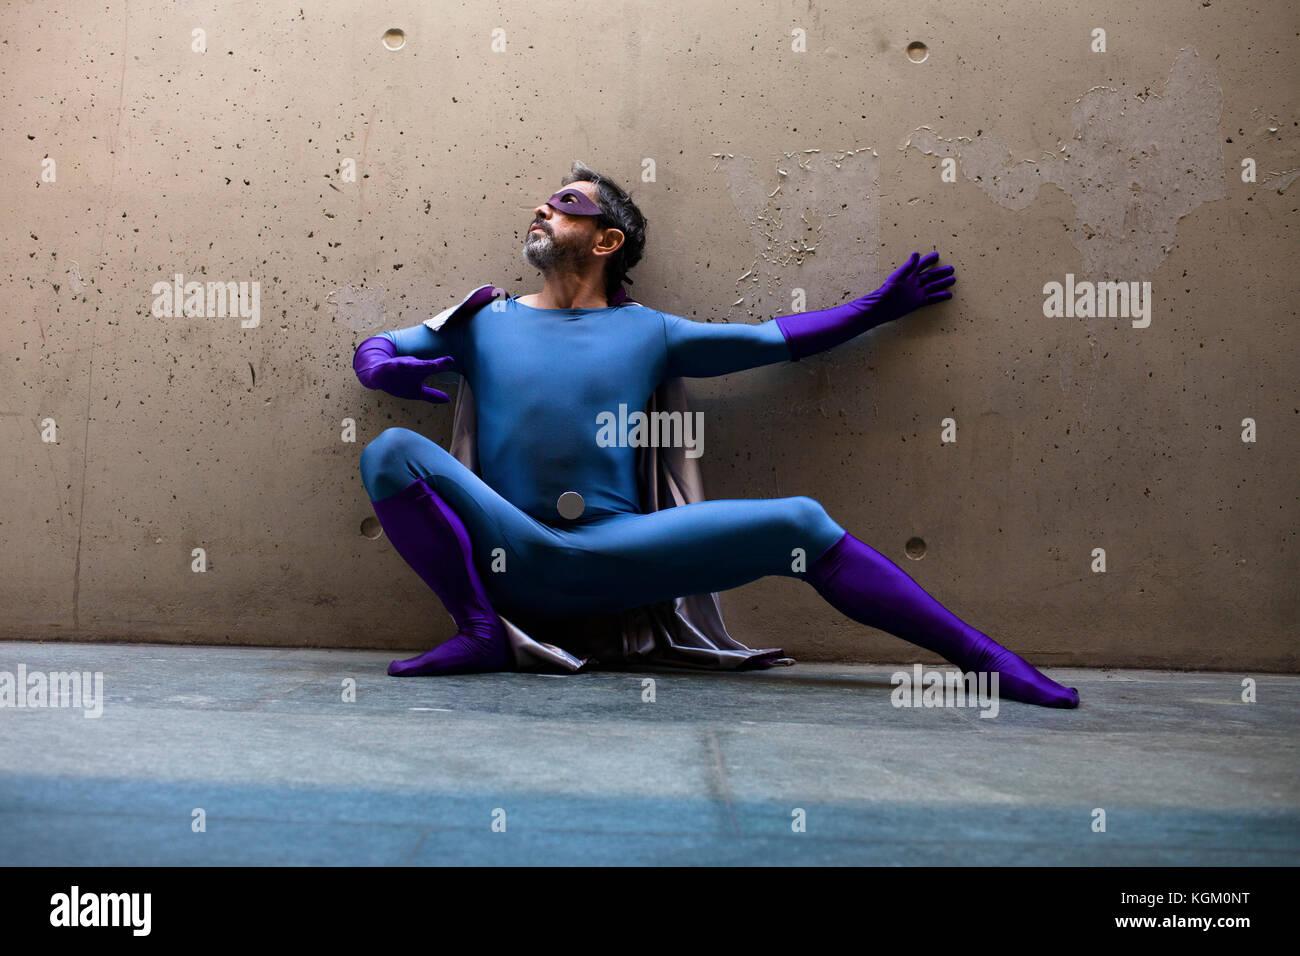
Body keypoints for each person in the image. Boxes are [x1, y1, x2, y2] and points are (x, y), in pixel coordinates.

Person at [353, 161, 1079, 708]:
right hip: (507, 547)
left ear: (608, 240)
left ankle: (983, 658)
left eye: (567, 204)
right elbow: (376, 345)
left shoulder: (651, 331)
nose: (543, 206)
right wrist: (383, 368)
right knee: (390, 452)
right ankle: (480, 633)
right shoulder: (485, 318)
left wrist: (873, 309)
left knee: (801, 522)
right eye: (547, 199)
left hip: (614, 556)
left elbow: (771, 341)